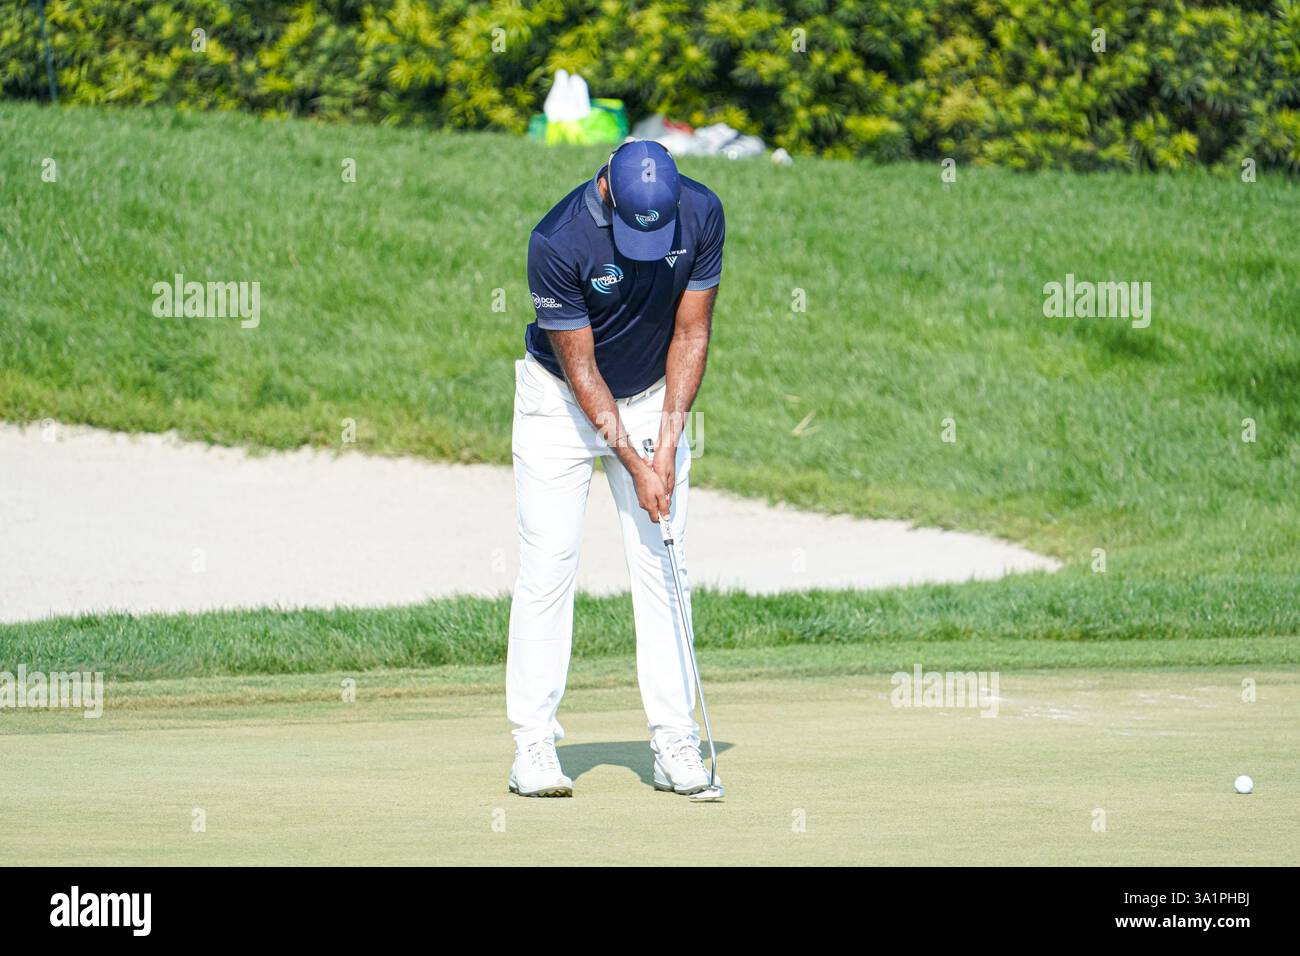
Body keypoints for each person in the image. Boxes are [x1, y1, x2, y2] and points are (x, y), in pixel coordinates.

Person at [507, 140, 724, 797]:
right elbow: (582, 372)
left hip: (654, 393)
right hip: (560, 403)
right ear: (607, 190)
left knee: (664, 559)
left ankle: (675, 741)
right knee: (550, 562)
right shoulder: (557, 240)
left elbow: (691, 334)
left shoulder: (703, 213)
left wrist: (666, 439)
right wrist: (634, 460)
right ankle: (534, 747)